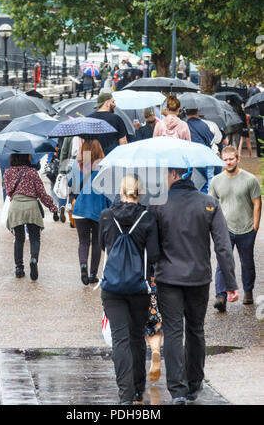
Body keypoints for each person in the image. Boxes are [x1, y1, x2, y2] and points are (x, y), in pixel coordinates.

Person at [148, 167, 238, 404]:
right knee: (196, 329)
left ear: (175, 175)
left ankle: (177, 389)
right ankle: (194, 383)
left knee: (174, 331)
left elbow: (150, 245)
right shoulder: (208, 203)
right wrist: (230, 282)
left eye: (166, 175)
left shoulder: (158, 205)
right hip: (198, 277)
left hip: (168, 278)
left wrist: (149, 273)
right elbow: (223, 246)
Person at [99, 175, 161, 405]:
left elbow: (103, 245)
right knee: (136, 337)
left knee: (120, 339)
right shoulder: (147, 217)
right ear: (140, 191)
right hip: (138, 287)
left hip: (112, 288)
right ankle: (137, 389)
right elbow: (153, 255)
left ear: (121, 191)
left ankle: (124, 395)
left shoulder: (106, 216)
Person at [209, 145, 262, 310]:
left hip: (246, 228)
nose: (229, 162)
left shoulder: (250, 179)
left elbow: (257, 203)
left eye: (231, 159)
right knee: (222, 262)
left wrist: (255, 225)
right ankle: (220, 296)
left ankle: (248, 291)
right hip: (225, 229)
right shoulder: (216, 180)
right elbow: (212, 204)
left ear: (238, 159)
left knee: (247, 262)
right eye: (225, 160)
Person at [3, 153, 58, 280]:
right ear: (27, 157)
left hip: (16, 206)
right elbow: (41, 193)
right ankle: (33, 259)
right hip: (32, 206)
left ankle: (19, 268)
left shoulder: (8, 172)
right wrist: (52, 207)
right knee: (35, 238)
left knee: (19, 238)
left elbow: (8, 191)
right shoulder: (32, 172)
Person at [71, 139, 111, 285]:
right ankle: (93, 274)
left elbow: (72, 185)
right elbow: (109, 193)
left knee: (83, 242)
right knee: (96, 243)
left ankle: (83, 265)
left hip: (81, 209)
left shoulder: (79, 166)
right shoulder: (104, 168)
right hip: (98, 211)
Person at [186, 107, 214, 193]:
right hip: (205, 155)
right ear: (197, 112)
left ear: (186, 113)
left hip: (191, 157)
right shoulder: (204, 125)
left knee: (195, 181)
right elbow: (210, 139)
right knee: (209, 179)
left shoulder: (184, 125)